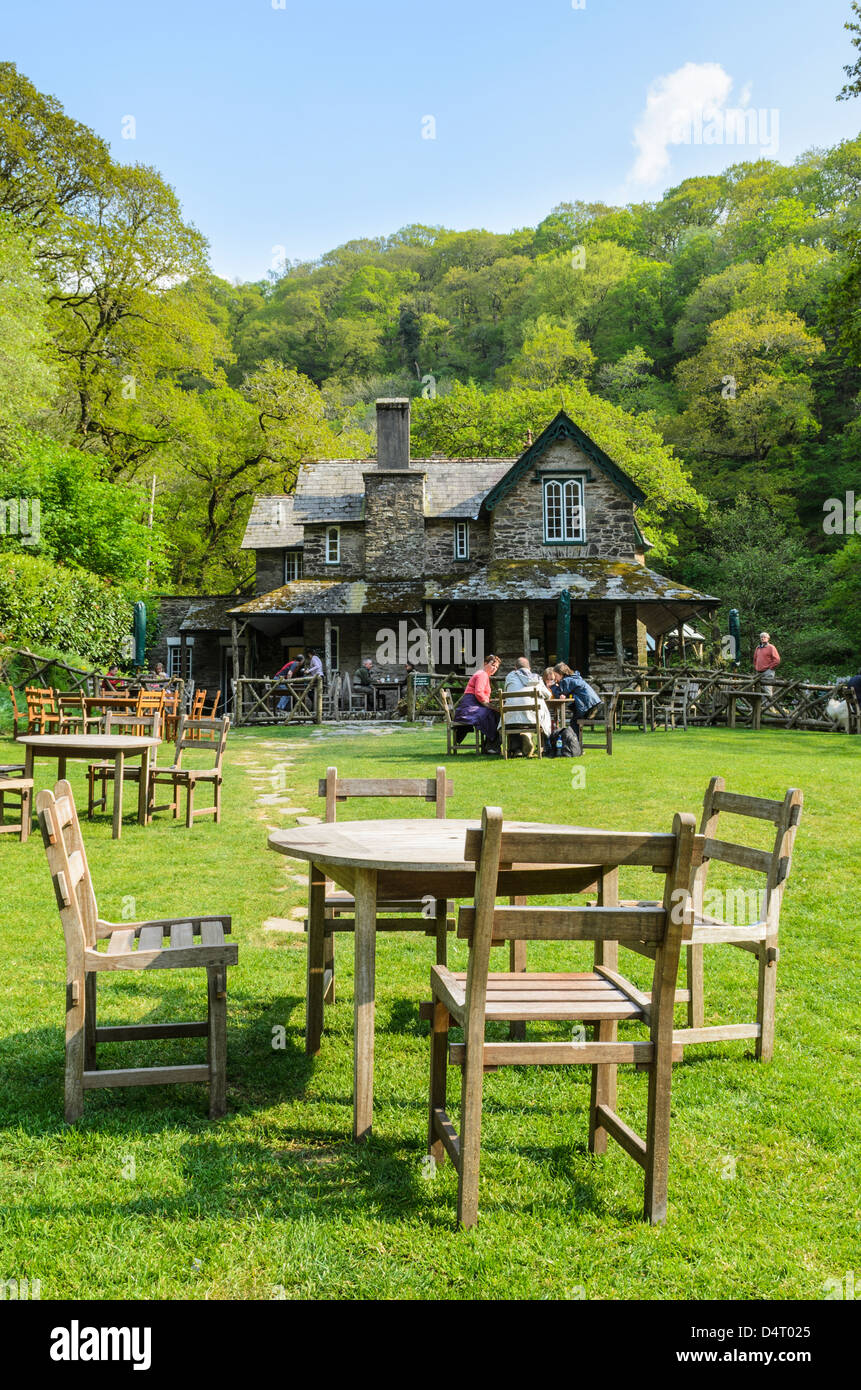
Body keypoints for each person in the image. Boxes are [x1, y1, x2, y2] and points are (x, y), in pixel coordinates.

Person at [503, 657, 552, 757]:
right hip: (533, 717)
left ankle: (517, 749)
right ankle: (544, 747)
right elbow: (548, 695)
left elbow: (507, 690)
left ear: (515, 668)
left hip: (512, 717)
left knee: (515, 715)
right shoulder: (536, 678)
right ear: (529, 667)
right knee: (541, 714)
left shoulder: (510, 676)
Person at [454, 654, 501, 754]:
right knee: (494, 714)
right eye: (493, 665)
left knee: (494, 713)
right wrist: (488, 705)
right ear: (485, 663)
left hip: (471, 706)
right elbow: (479, 693)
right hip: (469, 708)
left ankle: (490, 745)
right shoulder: (482, 674)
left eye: (496, 667)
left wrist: (490, 703)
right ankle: (491, 747)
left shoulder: (484, 675)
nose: (494, 669)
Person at [554, 663, 602, 747]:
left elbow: (561, 694)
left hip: (588, 707)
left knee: (574, 724)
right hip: (594, 705)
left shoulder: (566, 680)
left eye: (556, 675)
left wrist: (553, 686)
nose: (555, 679)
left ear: (561, 674)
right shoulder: (574, 677)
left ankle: (575, 746)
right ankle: (576, 745)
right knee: (574, 722)